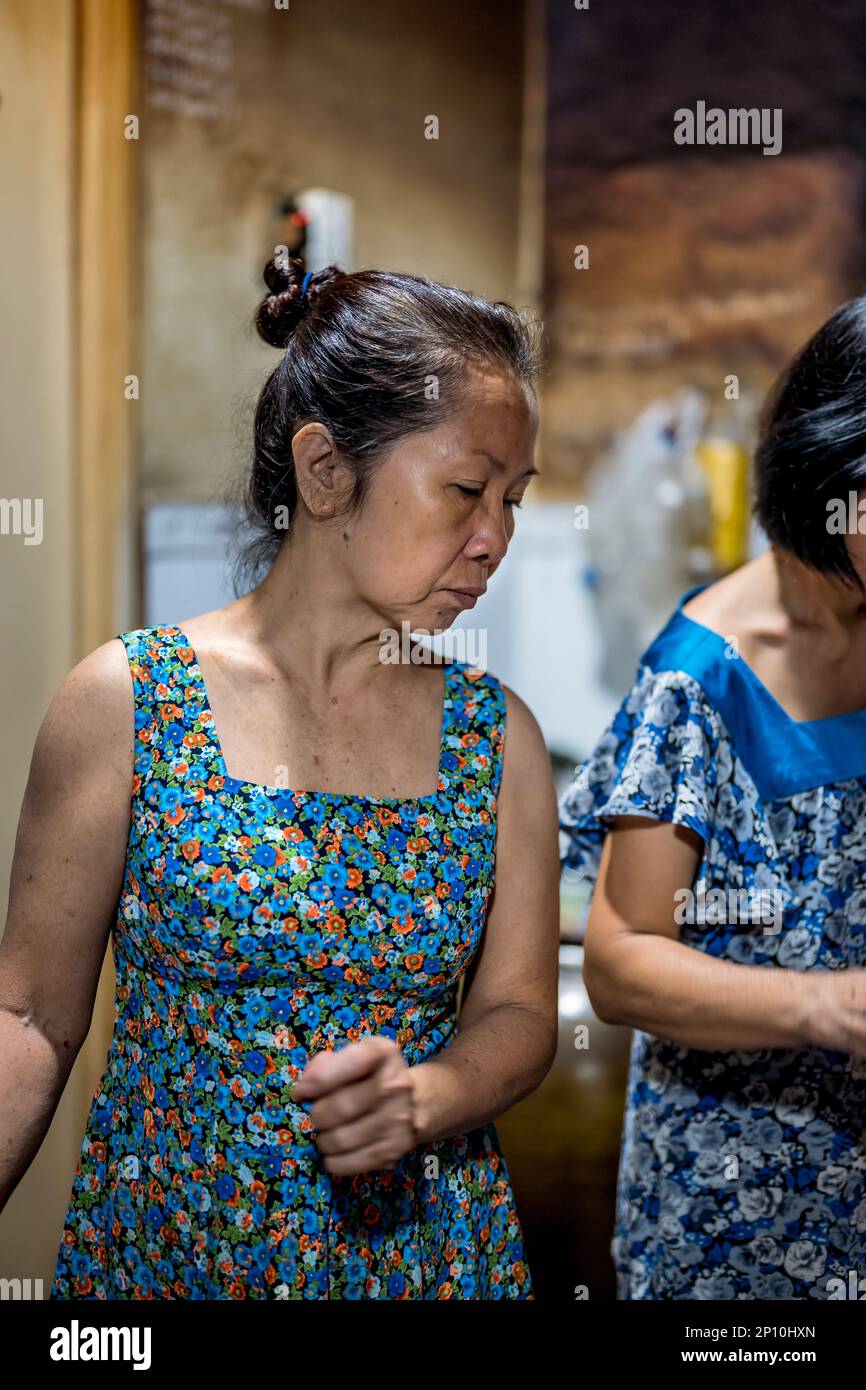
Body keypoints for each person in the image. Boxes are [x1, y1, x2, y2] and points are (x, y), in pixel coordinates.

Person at [1, 257, 561, 1299]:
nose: (496, 539)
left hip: (423, 1258)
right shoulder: (130, 701)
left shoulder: (497, 740)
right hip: (175, 1249)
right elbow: (30, 1019)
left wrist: (428, 1095)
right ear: (324, 470)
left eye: (513, 499)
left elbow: (523, 1014)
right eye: (464, 490)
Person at [559, 295, 866, 1300]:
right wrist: (825, 1005)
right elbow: (619, 963)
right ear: (831, 478)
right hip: (742, 1205)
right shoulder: (702, 681)